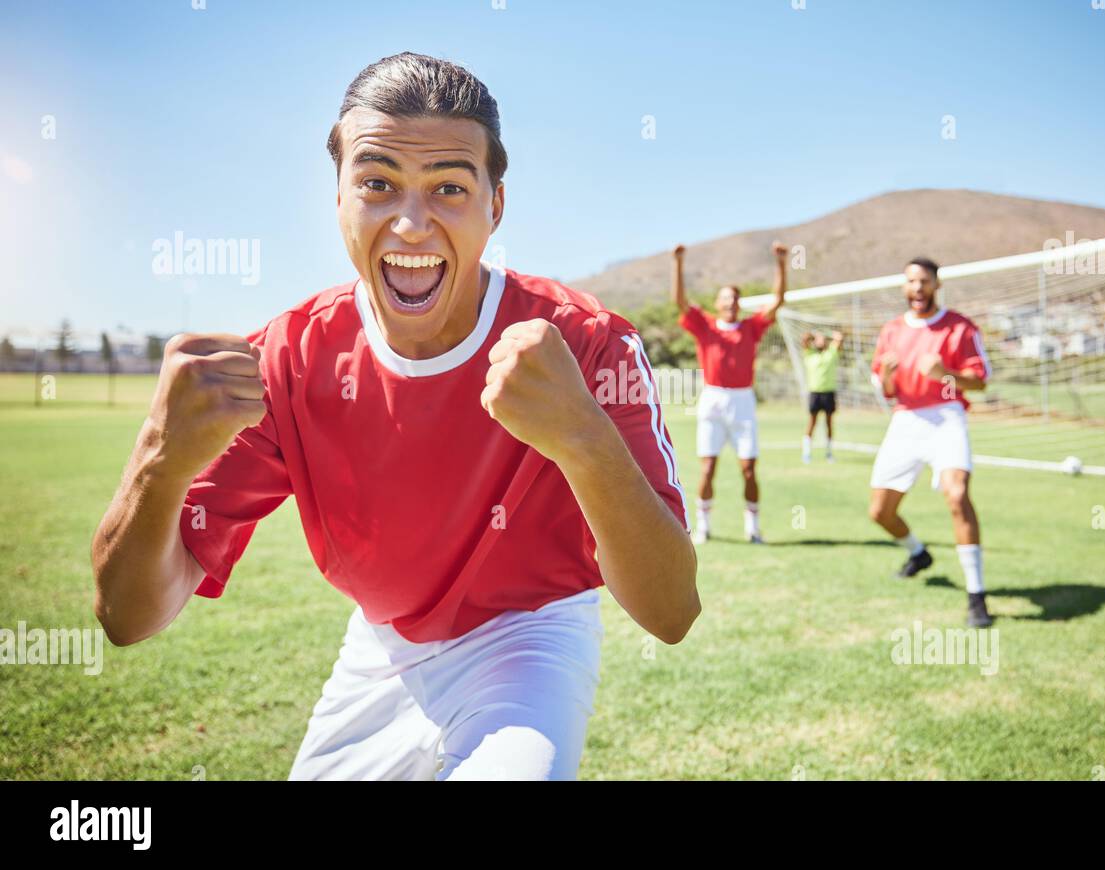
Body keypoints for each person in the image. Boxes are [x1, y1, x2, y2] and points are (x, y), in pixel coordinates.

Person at [90, 53, 699, 780]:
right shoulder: (288, 357)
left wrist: (581, 437)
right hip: (380, 647)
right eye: (377, 184)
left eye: (448, 188)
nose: (412, 224)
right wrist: (159, 460)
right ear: (339, 198)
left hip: (529, 640)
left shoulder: (586, 340)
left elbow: (671, 611)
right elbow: (129, 618)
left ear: (494, 207)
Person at [868, 257, 993, 627]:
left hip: (947, 416)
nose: (917, 288)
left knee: (956, 495)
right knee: (880, 512)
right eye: (910, 281)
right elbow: (887, 390)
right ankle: (918, 554)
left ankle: (977, 596)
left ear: (937, 285)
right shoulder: (890, 330)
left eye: (924, 281)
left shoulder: (960, 328)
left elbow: (980, 381)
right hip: (905, 418)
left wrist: (946, 375)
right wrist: (888, 378)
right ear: (904, 288)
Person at [672, 242, 788, 544]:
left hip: (742, 401)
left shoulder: (751, 327)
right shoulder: (705, 326)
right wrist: (679, 264)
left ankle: (753, 528)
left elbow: (778, 300)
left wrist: (781, 264)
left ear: (740, 303)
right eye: (726, 298)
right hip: (713, 399)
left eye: (735, 298)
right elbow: (681, 301)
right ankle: (703, 526)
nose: (731, 303)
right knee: (708, 468)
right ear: (717, 303)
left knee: (749, 469)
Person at [801, 330, 844, 462]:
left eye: (823, 339)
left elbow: (839, 339)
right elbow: (804, 339)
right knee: (812, 422)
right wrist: (815, 335)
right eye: (818, 340)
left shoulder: (831, 353)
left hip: (828, 393)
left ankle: (829, 453)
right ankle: (807, 453)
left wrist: (828, 335)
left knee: (829, 423)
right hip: (815, 393)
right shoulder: (809, 354)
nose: (821, 341)